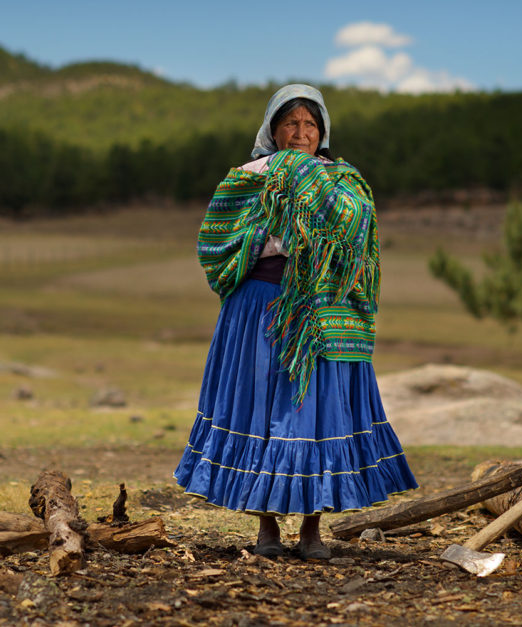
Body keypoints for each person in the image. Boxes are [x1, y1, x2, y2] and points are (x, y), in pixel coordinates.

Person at [174, 84, 418, 560]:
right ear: (273, 129)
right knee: (259, 410)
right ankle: (265, 529)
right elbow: (216, 242)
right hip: (259, 307)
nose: (301, 133)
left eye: (310, 124)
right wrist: (274, 225)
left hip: (322, 311)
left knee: (316, 415)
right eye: (291, 123)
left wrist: (305, 197)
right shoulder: (248, 177)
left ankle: (311, 530)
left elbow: (356, 233)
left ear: (322, 132)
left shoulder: (343, 181)